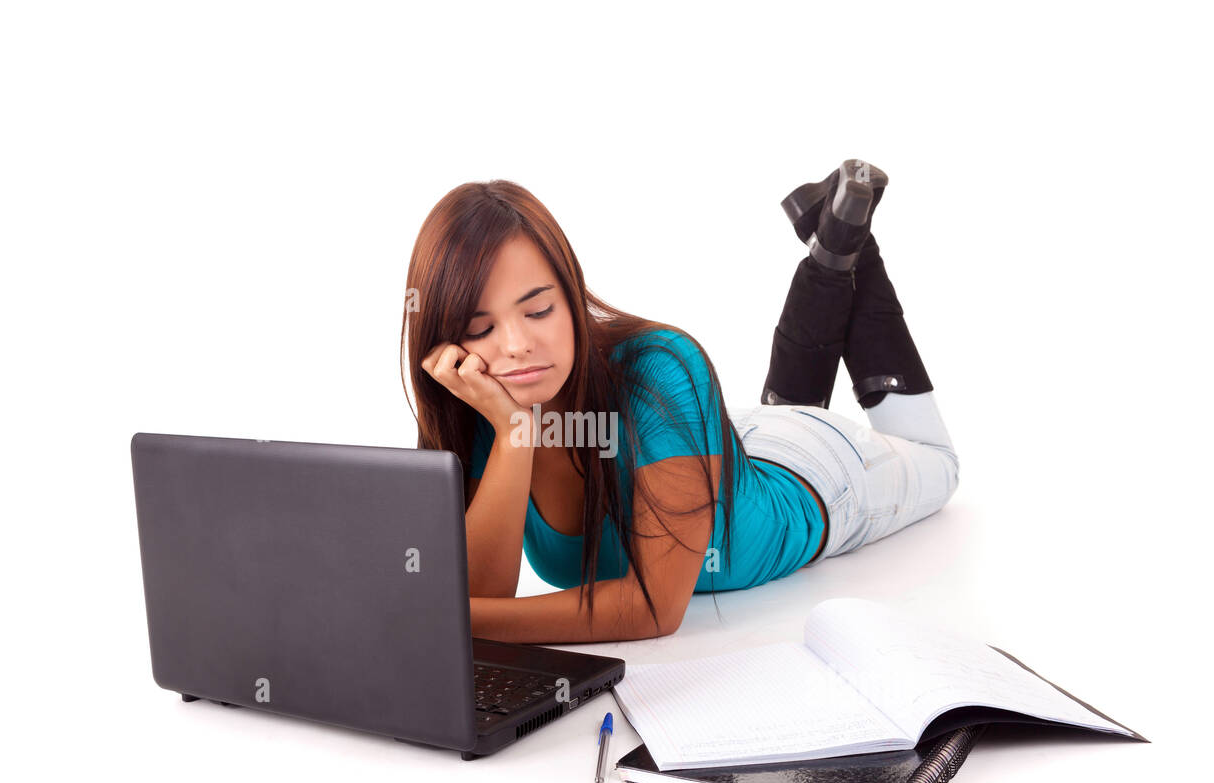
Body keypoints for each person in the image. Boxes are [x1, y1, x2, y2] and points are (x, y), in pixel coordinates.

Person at [403, 162, 958, 644]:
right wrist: (512, 432)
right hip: (708, 447)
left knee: (935, 459)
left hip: (819, 474)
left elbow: (653, 607)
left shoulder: (660, 366)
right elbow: (480, 597)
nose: (517, 345)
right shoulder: (481, 409)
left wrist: (440, 617)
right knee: (788, 404)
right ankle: (830, 242)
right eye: (480, 327)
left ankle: (851, 246)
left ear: (571, 296)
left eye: (539, 311)